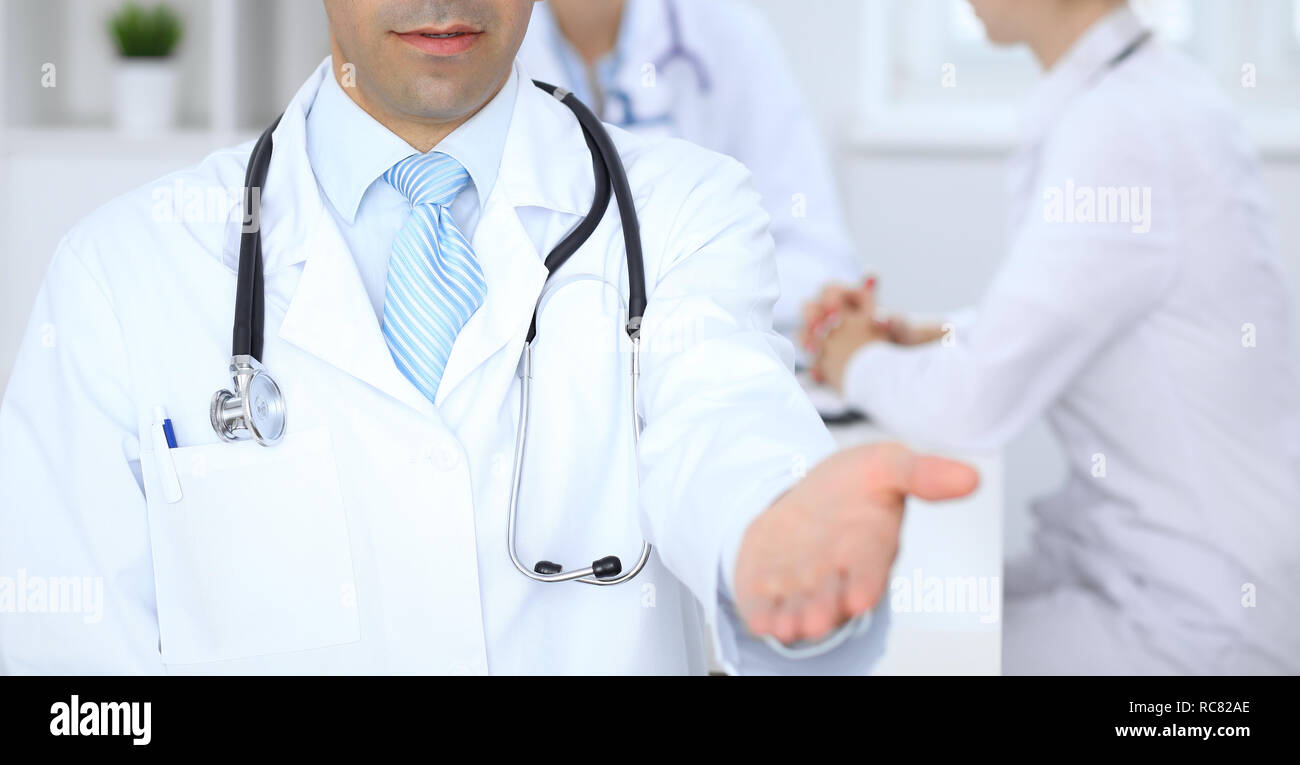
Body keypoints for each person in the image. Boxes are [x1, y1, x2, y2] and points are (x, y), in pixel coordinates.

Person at [0, 0, 977, 675]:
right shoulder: (120, 274)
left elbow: (723, 417)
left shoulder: (681, 213)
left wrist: (765, 540)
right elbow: (72, 668)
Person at [804, 0, 1300, 674]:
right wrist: (913, 336)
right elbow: (1072, 320)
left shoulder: (1123, 127)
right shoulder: (1152, 93)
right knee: (906, 625)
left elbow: (972, 408)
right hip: (1158, 567)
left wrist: (851, 358)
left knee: (889, 654)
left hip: (1196, 620)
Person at [517, 0, 861, 332]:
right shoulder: (489, 48)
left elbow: (818, 260)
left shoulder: (728, 36)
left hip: (702, 361)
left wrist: (674, 298)